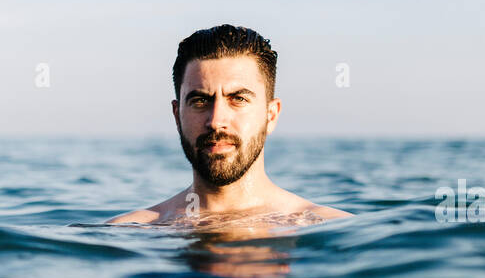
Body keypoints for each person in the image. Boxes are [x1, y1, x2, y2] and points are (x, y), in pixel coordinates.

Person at [106, 24, 352, 227]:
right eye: (200, 101)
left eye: (238, 99)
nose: (216, 121)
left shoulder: (331, 227)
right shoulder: (130, 231)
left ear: (271, 115)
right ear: (176, 114)